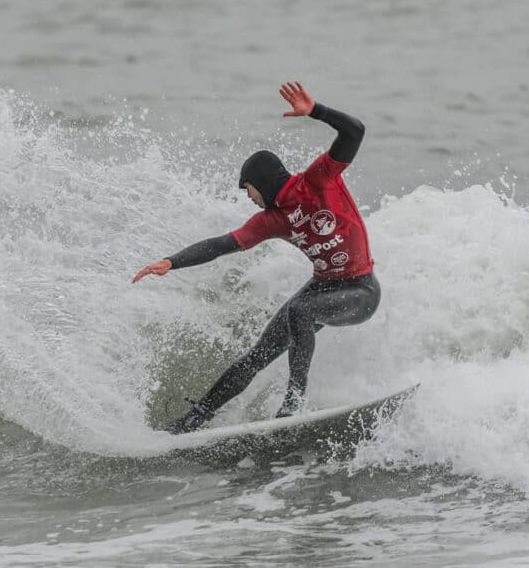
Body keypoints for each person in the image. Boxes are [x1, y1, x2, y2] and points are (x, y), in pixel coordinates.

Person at [132, 82, 380, 434]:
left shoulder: (317, 181)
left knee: (300, 311)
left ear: (261, 183)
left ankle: (294, 402)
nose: (247, 196)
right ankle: (193, 420)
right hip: (324, 288)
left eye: (247, 189)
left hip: (361, 292)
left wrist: (316, 112)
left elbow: (355, 131)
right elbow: (220, 245)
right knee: (258, 355)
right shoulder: (271, 220)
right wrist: (171, 262)